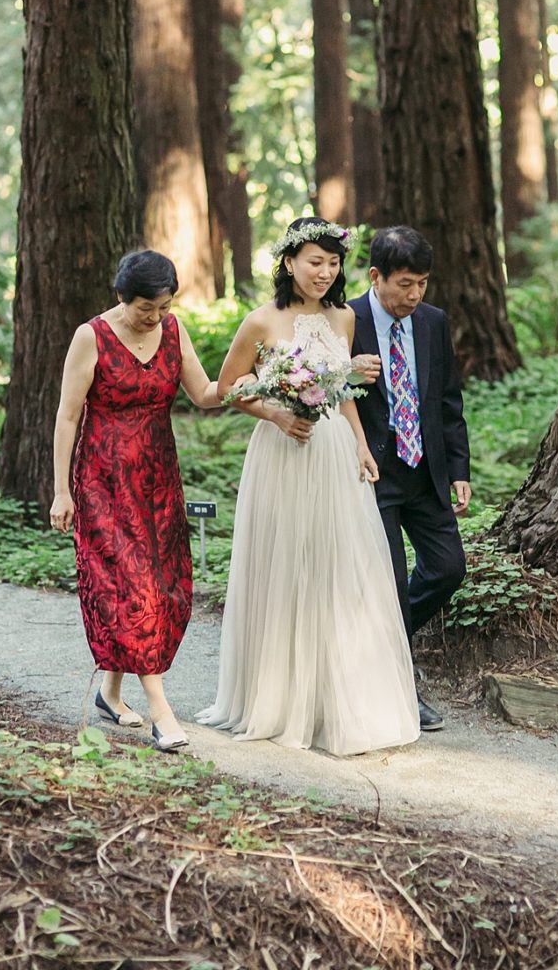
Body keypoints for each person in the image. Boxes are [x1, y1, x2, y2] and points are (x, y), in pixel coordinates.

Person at [196, 218, 420, 757]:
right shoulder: (260, 321)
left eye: (333, 263)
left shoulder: (343, 318)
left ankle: (334, 699)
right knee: (287, 566)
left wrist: (362, 445)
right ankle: (278, 698)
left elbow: (342, 391)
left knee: (339, 569)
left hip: (334, 453)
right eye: (314, 262)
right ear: (289, 263)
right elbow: (225, 390)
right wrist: (275, 414)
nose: (325, 273)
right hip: (282, 456)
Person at [49, 249, 220, 752]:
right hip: (103, 479)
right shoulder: (92, 336)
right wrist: (62, 490)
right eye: (147, 307)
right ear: (122, 296)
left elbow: (204, 392)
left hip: (158, 479)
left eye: (164, 306)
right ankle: (160, 710)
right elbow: (66, 417)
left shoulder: (173, 330)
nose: (156, 317)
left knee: (166, 586)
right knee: (133, 588)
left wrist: (248, 382)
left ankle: (110, 691)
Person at [349, 225, 472, 732]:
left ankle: (376, 648)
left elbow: (447, 399)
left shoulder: (433, 322)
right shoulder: (344, 320)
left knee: (448, 569)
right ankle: (401, 689)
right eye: (405, 283)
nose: (414, 294)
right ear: (376, 277)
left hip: (426, 472)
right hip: (372, 473)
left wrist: (460, 470)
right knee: (392, 583)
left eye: (422, 282)